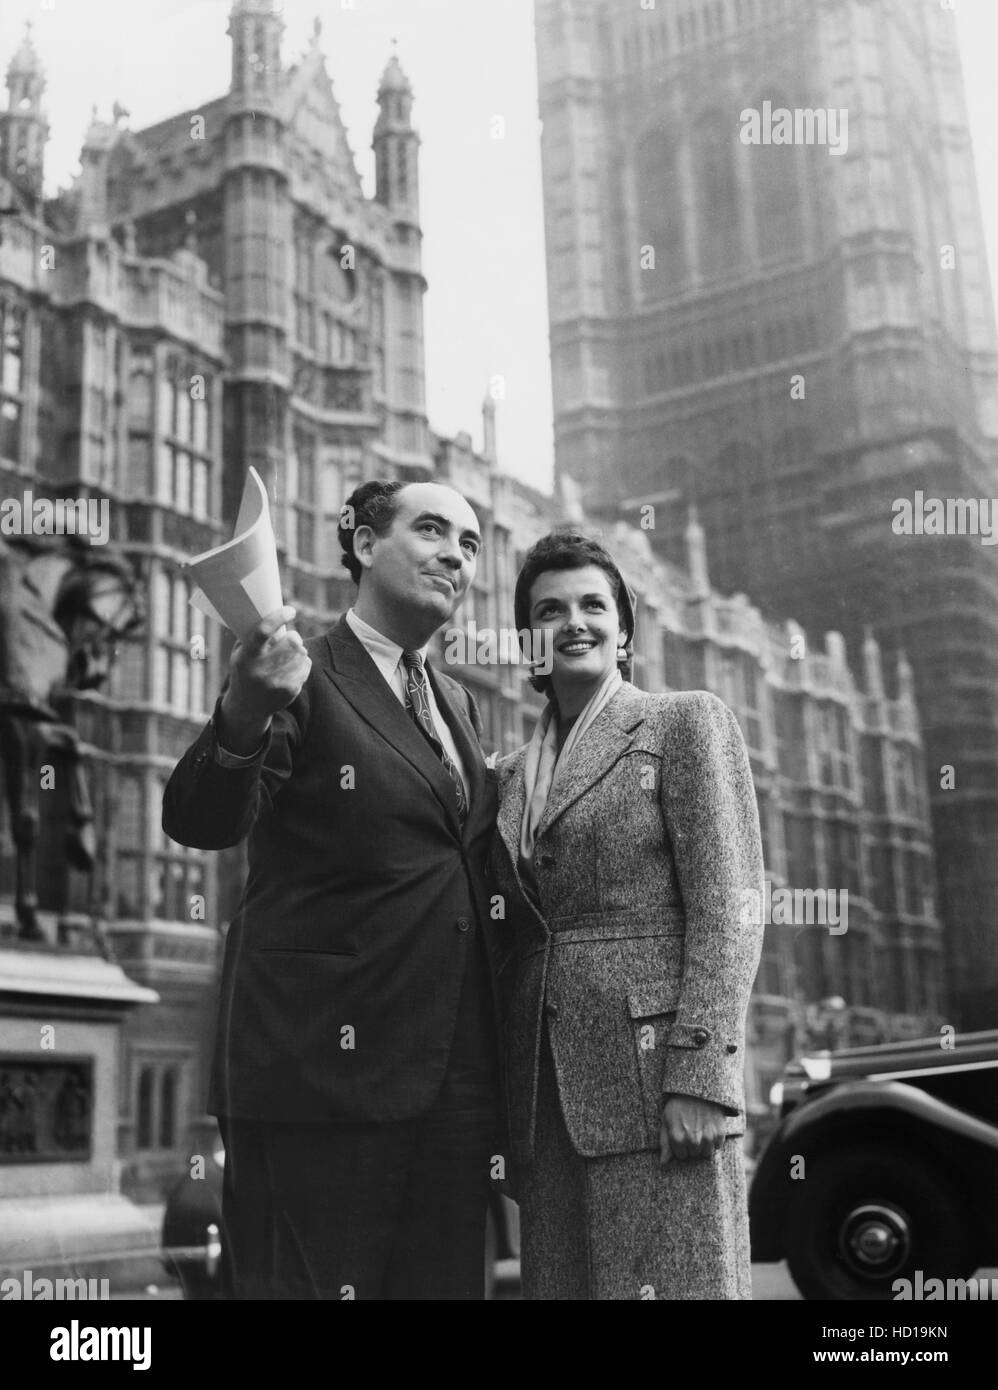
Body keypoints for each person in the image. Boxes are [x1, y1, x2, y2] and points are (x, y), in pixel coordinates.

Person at [162, 478, 508, 1300]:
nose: (456, 557)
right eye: (433, 531)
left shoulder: (457, 703)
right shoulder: (302, 671)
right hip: (317, 1081)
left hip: (448, 1093)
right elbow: (202, 819)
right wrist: (243, 713)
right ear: (363, 544)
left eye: (469, 545)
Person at [491, 529, 765, 1300]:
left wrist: (702, 1074)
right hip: (546, 1100)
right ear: (528, 642)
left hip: (658, 1090)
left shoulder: (683, 722)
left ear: (624, 630)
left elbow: (730, 904)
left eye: (592, 605)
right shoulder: (507, 776)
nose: (572, 622)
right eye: (549, 610)